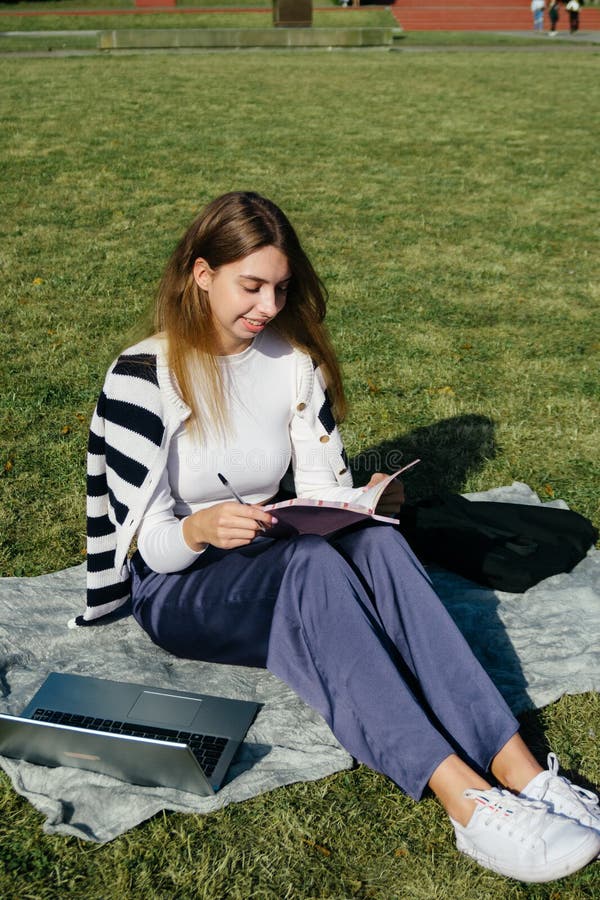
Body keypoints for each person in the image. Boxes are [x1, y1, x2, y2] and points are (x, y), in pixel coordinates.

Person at [76, 192, 600, 882]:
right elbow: (148, 546)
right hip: (179, 585)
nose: (268, 306)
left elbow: (323, 490)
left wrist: (366, 501)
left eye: (280, 288)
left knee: (378, 542)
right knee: (313, 568)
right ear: (202, 274)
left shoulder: (291, 361)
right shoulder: (143, 376)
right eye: (251, 286)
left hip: (269, 549)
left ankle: (521, 771)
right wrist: (198, 528)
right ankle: (465, 801)